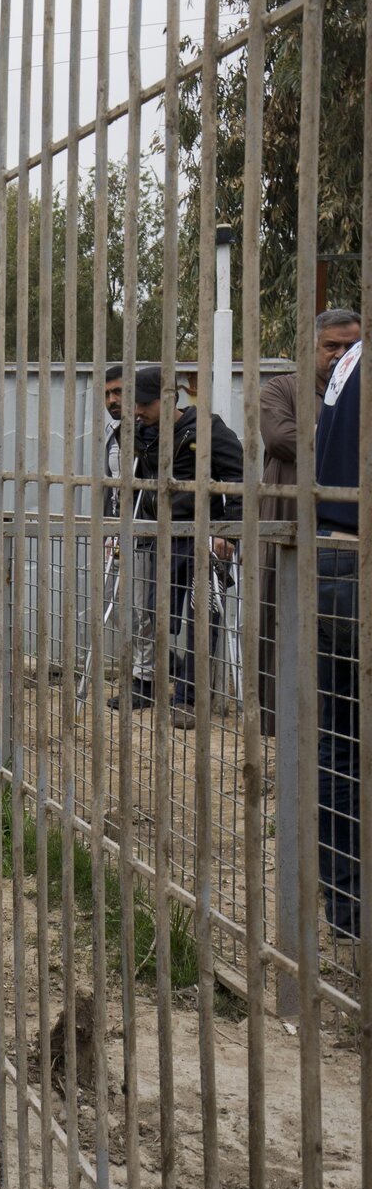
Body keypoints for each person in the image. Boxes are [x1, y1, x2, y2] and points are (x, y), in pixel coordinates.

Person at [259, 308, 361, 734]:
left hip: (343, 535)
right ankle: (285, 731)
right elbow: (283, 438)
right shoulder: (282, 388)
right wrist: (341, 434)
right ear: (311, 348)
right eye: (331, 346)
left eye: (349, 346)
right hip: (289, 526)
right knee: (284, 627)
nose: (339, 355)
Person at [132, 365, 245, 725]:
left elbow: (238, 479)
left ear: (169, 399)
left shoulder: (207, 430)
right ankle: (165, 682)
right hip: (158, 539)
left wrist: (228, 533)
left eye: (144, 403)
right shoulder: (138, 432)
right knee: (155, 617)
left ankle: (190, 700)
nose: (137, 410)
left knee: (201, 618)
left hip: (201, 542)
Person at [315, 338, 362, 939]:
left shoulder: (351, 358)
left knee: (340, 740)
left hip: (333, 551)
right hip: (357, 555)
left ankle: (348, 911)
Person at [102, 362, 158, 706]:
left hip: (145, 532)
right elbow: (113, 489)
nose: (113, 399)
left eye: (120, 391)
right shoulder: (114, 432)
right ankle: (149, 668)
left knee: (141, 610)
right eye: (108, 393)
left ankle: (145, 681)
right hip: (121, 531)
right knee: (123, 607)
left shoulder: (146, 434)